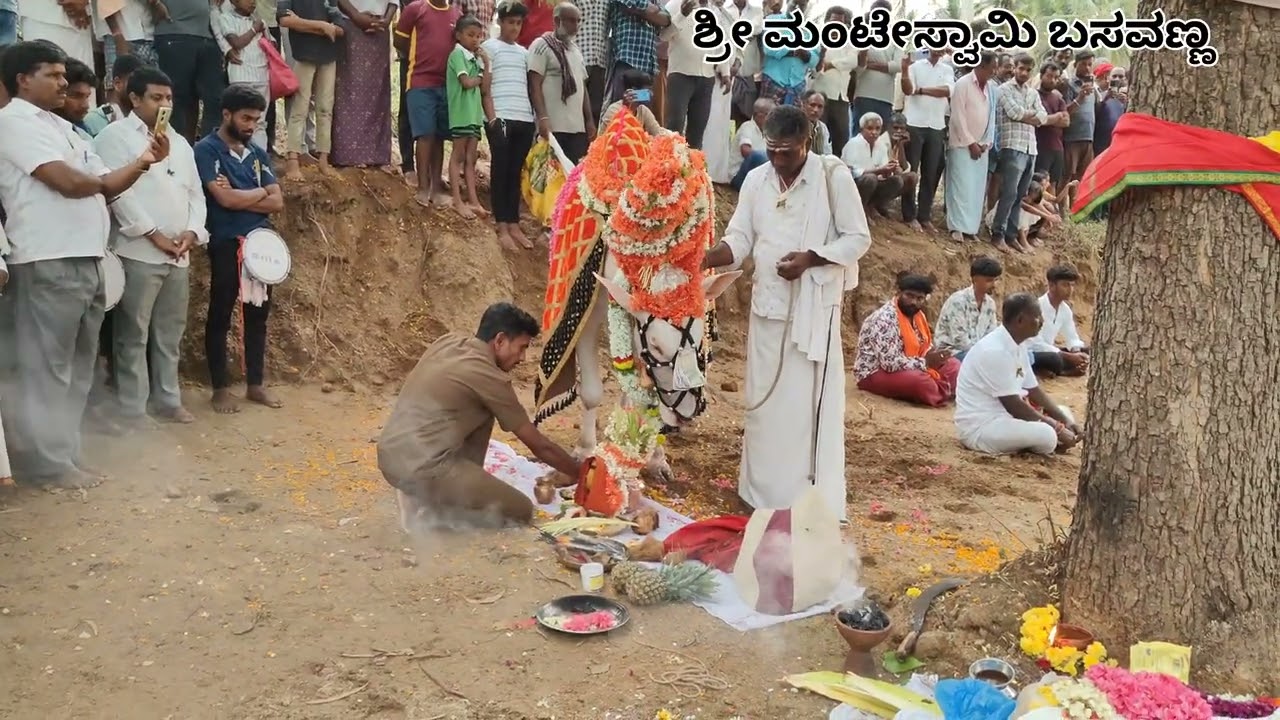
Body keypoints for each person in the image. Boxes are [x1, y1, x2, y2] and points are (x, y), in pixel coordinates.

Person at [0, 40, 166, 487]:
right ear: (22, 80)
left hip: (86, 257)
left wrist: (144, 162)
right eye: (53, 75)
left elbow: (106, 186)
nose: (63, 83)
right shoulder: (13, 122)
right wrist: (103, 180)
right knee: (47, 367)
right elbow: (69, 183)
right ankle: (44, 464)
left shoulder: (66, 129)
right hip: (46, 257)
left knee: (78, 367)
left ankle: (64, 456)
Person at [701, 104, 871, 524]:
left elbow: (858, 238)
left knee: (805, 411)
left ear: (806, 144)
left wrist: (812, 258)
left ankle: (808, 504)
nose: (778, 159)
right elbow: (738, 238)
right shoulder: (757, 180)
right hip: (768, 310)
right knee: (763, 407)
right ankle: (758, 495)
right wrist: (702, 258)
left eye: (787, 152)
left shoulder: (833, 177)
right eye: (772, 150)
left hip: (813, 315)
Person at [378, 302, 588, 531]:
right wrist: (580, 473)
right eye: (521, 347)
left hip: (390, 456)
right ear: (499, 341)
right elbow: (539, 446)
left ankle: (431, 492)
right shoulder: (489, 376)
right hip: (423, 468)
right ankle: (433, 514)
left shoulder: (448, 342)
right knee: (521, 510)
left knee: (480, 410)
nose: (523, 358)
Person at [94, 66, 204, 425]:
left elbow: (195, 195)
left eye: (169, 98)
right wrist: (153, 234)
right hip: (138, 250)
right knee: (132, 334)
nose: (164, 105)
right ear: (135, 99)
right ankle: (132, 408)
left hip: (178, 254)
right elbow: (116, 195)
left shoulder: (182, 143)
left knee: (169, 333)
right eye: (156, 98)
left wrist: (192, 232)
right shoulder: (114, 137)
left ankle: (168, 401)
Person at [194, 85, 285, 413]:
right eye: (246, 118)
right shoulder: (206, 150)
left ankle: (255, 385)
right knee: (220, 313)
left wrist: (247, 195)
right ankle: (219, 388)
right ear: (227, 114)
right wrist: (260, 193)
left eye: (257, 121)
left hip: (260, 245)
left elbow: (278, 201)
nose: (251, 126)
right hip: (226, 243)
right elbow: (224, 199)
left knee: (258, 315)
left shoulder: (258, 153)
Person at [954, 293, 1080, 456]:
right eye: (1037, 317)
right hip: (982, 428)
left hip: (1006, 419)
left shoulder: (1019, 345)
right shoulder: (995, 351)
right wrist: (1057, 428)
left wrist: (1066, 421)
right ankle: (1043, 443)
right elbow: (1014, 405)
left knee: (1063, 412)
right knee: (1047, 435)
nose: (1041, 322)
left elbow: (1033, 390)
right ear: (1020, 320)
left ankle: (1039, 441)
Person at [992, 53, 1065, 255]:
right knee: (1009, 193)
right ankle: (998, 234)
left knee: (1022, 194)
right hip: (1012, 145)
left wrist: (1030, 116)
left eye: (1027, 70)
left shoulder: (1032, 93)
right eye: (1020, 68)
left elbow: (1042, 118)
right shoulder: (1003, 90)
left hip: (1030, 147)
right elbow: (1015, 113)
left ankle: (1011, 235)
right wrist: (1032, 116)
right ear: (1014, 68)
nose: (1023, 73)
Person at [853, 273, 961, 408]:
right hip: (875, 372)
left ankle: (937, 391)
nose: (914, 302)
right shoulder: (884, 319)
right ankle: (940, 392)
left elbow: (924, 345)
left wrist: (936, 356)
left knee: (954, 365)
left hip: (912, 364)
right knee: (919, 381)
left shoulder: (917, 315)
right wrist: (926, 362)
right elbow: (889, 364)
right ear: (898, 293)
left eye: (919, 298)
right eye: (909, 296)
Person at [396, 0, 463, 208]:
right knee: (424, 135)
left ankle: (435, 188)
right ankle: (423, 188)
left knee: (438, 136)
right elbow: (399, 40)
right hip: (420, 82)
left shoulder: (456, 14)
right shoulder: (416, 9)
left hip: (446, 85)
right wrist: (421, 57)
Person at [483, 0, 538, 249]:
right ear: (500, 22)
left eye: (518, 23)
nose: (515, 27)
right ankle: (501, 223)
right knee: (501, 168)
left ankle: (514, 223)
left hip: (524, 118)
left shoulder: (525, 53)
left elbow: (530, 86)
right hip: (501, 116)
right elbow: (485, 87)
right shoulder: (488, 48)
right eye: (510, 22)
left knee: (515, 171)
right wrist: (492, 118)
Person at [278, 0, 344, 179]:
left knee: (325, 108)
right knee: (300, 106)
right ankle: (293, 159)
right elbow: (284, 20)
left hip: (328, 55)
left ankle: (323, 160)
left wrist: (302, 23)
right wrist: (322, 27)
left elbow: (340, 28)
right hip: (304, 54)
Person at [331, 0, 397, 170]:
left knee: (377, 91)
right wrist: (356, 16)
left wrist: (387, 19)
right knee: (351, 88)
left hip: (380, 28)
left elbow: (394, 1)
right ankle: (349, 155)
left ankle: (377, 155)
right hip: (352, 24)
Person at [527, 2, 594, 163]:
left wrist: (589, 121)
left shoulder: (576, 51)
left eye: (578, 21)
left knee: (573, 177)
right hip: (553, 127)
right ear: (557, 21)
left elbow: (582, 88)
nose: (576, 25)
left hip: (577, 129)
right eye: (571, 20)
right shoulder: (541, 45)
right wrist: (542, 118)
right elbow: (534, 84)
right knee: (551, 179)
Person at [153, 0, 227, 140]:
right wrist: (155, 3)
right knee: (173, 97)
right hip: (173, 32)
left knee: (216, 98)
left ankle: (207, 153)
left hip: (208, 35)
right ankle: (170, 151)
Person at [944, 51, 995, 244]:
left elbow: (991, 118)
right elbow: (958, 117)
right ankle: (956, 228)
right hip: (961, 144)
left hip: (982, 146)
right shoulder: (963, 84)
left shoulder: (990, 88)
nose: (994, 71)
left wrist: (985, 142)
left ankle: (971, 229)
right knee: (960, 187)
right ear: (981, 66)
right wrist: (970, 142)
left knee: (976, 188)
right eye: (991, 68)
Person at [899, 49, 952, 234]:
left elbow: (947, 91)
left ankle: (924, 216)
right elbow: (907, 89)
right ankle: (909, 215)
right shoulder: (914, 65)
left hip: (936, 125)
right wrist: (905, 71)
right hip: (914, 122)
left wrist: (921, 90)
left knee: (930, 173)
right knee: (911, 170)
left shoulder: (947, 68)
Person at [446, 15, 490, 219]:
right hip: (461, 113)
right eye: (471, 35)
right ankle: (457, 200)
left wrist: (487, 64)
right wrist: (481, 76)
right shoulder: (457, 55)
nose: (475, 40)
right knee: (458, 156)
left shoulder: (476, 58)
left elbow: (485, 88)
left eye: (479, 36)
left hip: (473, 114)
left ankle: (473, 201)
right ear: (458, 35)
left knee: (471, 159)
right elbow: (466, 82)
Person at [213, 0, 271, 151]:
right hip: (241, 76)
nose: (252, 2)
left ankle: (259, 159)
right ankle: (238, 157)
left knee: (259, 122)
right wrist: (254, 29)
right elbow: (237, 43)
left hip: (261, 75)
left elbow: (271, 44)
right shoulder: (226, 18)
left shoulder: (259, 21)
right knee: (239, 121)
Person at [660, 0, 714, 149]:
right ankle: (669, 168)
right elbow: (662, 36)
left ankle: (693, 171)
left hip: (707, 77)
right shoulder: (675, 5)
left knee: (697, 133)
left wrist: (725, 71)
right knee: (674, 128)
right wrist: (682, 15)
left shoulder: (714, 9)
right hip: (680, 76)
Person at [841, 112, 907, 220]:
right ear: (862, 129)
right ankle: (859, 211)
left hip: (873, 183)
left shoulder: (880, 145)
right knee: (870, 178)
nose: (874, 132)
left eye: (877, 129)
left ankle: (871, 207)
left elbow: (883, 171)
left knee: (897, 181)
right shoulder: (853, 144)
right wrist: (878, 170)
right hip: (853, 185)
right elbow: (852, 172)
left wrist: (889, 169)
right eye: (870, 128)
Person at [935, 256, 1001, 360]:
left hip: (977, 352)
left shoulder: (990, 304)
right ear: (975, 279)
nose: (994, 284)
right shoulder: (958, 301)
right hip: (952, 353)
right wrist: (984, 355)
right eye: (989, 280)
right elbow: (959, 340)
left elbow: (990, 335)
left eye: (996, 280)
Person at [1027, 264, 1089, 378]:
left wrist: (1077, 353)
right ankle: (1060, 372)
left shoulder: (1065, 310)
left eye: (1072, 285)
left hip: (1050, 349)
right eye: (1065, 285)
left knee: (1086, 351)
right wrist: (1068, 357)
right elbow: (1034, 343)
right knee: (1054, 359)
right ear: (1051, 285)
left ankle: (1055, 370)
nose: (1070, 290)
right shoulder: (1037, 307)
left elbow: (1072, 338)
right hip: (1030, 352)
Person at [810, 5, 855, 157]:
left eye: (841, 23)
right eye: (834, 22)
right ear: (827, 21)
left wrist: (831, 64)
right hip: (820, 96)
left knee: (841, 139)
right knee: (817, 137)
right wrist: (826, 61)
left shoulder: (849, 41)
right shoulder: (817, 40)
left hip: (841, 97)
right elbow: (816, 70)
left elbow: (853, 61)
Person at [604, 0, 667, 105]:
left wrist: (639, 12)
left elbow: (666, 19)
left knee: (642, 110)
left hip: (647, 67)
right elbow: (651, 9)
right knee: (623, 108)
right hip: (626, 63)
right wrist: (652, 15)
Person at [851, 0, 897, 129]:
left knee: (882, 139)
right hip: (863, 94)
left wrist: (871, 65)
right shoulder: (861, 34)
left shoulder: (896, 37)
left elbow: (898, 66)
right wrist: (886, 66)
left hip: (886, 98)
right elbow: (858, 67)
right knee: (860, 135)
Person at [758, 7, 816, 107]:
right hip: (774, 81)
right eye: (795, 2)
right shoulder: (773, 20)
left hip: (797, 85)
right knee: (767, 119)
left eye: (803, 2)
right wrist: (793, 49)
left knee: (794, 120)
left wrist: (806, 54)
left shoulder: (810, 27)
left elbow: (814, 59)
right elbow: (768, 49)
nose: (798, 6)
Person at [1061, 50, 1098, 189]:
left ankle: (1076, 208)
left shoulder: (1093, 88)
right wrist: (1080, 97)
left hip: (1088, 137)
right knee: (1067, 176)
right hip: (1072, 137)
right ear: (1075, 64)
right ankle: (1062, 208)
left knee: (1083, 178)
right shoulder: (1068, 85)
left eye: (1090, 65)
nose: (1087, 68)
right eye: (1083, 64)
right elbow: (1064, 111)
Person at [84, 54, 146, 136]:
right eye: (135, 82)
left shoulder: (143, 120)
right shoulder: (95, 120)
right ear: (117, 83)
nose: (140, 88)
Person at [1034, 61, 1068, 201]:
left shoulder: (1058, 98)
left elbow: (1066, 121)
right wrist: (1055, 118)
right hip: (1041, 146)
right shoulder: (1034, 96)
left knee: (1053, 183)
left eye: (1056, 77)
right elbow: (1039, 120)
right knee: (1039, 184)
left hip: (1057, 147)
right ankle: (1037, 218)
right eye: (1049, 76)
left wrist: (1049, 119)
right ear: (1041, 76)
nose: (1053, 80)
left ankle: (1050, 217)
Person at [598, 69, 663, 135]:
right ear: (633, 90)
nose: (652, 94)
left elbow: (658, 132)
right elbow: (617, 138)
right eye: (648, 91)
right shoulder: (613, 110)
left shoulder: (643, 110)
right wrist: (625, 110)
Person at [729, 96, 770, 190]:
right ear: (759, 115)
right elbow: (745, 151)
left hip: (756, 176)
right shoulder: (747, 126)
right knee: (757, 156)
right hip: (739, 176)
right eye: (770, 115)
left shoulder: (768, 132)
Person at [800, 89, 831, 155]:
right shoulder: (795, 125)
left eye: (820, 107)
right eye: (812, 105)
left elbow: (827, 153)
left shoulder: (823, 127)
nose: (815, 110)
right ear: (803, 105)